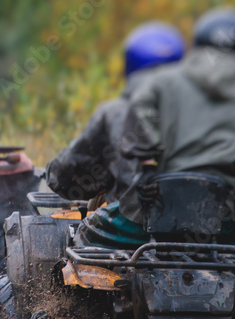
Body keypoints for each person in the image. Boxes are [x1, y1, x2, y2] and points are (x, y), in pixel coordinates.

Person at [79, 7, 235, 257]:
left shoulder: (163, 83)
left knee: (87, 233)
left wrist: (149, 168)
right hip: (219, 231)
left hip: (144, 223)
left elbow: (138, 116)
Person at [45, 22, 185, 202]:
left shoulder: (115, 112)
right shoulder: (202, 110)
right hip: (202, 220)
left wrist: (51, 173)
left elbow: (70, 179)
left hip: (130, 226)